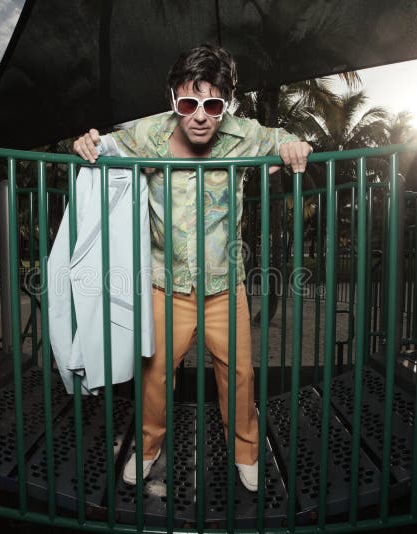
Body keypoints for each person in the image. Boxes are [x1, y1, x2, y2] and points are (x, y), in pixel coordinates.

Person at [72, 43, 311, 492]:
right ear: (172, 100)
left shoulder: (242, 134)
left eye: (213, 104)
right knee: (156, 375)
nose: (200, 115)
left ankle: (245, 451)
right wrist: (87, 141)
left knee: (239, 374)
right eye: (188, 103)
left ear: (227, 105)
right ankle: (147, 447)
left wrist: (295, 145)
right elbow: (103, 144)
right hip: (167, 285)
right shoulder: (149, 134)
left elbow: (282, 138)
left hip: (225, 286)